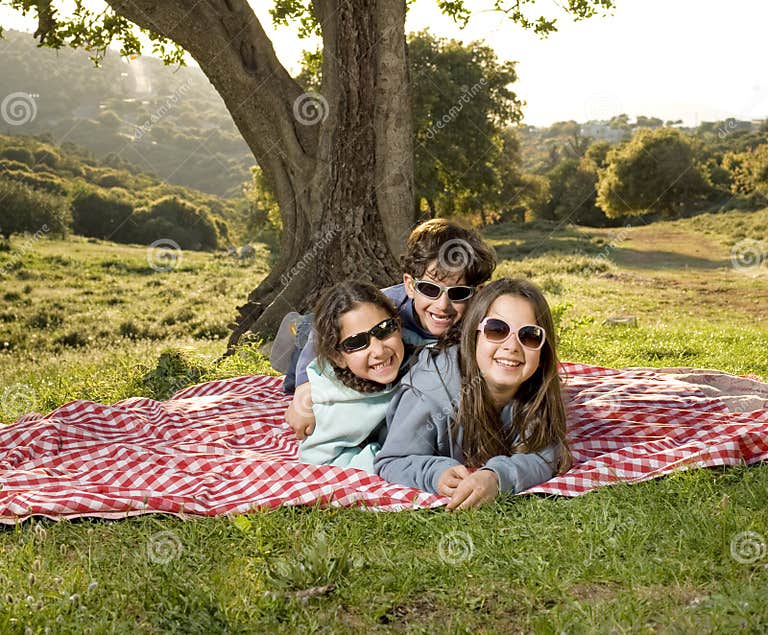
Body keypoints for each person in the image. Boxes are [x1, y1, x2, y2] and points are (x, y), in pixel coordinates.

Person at [285, 218, 497, 438]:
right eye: (429, 289)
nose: (442, 305)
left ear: (477, 293)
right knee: (313, 334)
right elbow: (322, 331)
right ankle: (298, 327)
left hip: (398, 359)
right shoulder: (388, 305)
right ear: (410, 285)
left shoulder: (482, 321)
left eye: (458, 293)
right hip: (323, 333)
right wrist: (304, 389)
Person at [374, 278, 572, 509]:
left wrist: (498, 477)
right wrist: (436, 474)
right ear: (473, 335)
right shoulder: (430, 392)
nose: (512, 347)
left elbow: (546, 454)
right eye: (496, 330)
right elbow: (393, 460)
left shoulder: (537, 387)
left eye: (529, 335)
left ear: (543, 350)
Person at [296, 281, 410, 474]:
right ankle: (299, 328)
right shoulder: (334, 405)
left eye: (384, 328)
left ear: (398, 326)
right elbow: (316, 462)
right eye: (357, 342)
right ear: (338, 357)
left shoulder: (416, 354)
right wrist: (381, 456)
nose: (379, 350)